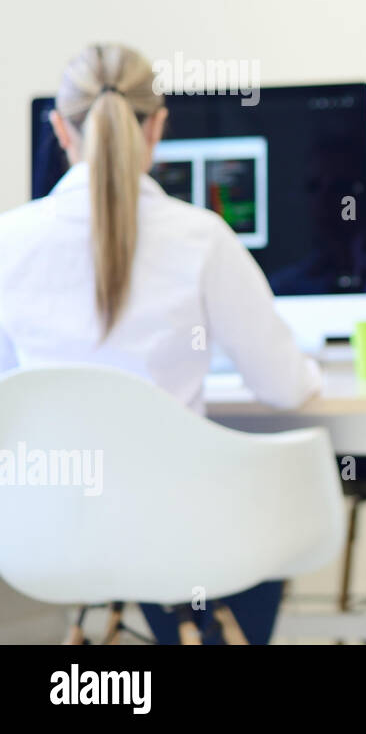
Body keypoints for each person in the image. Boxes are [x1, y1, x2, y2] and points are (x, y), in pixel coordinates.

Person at [0, 44, 322, 644]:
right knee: (249, 503)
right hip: (176, 536)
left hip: (45, 535)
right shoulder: (201, 238)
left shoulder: (7, 241)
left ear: (60, 131)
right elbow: (284, 387)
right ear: (158, 124)